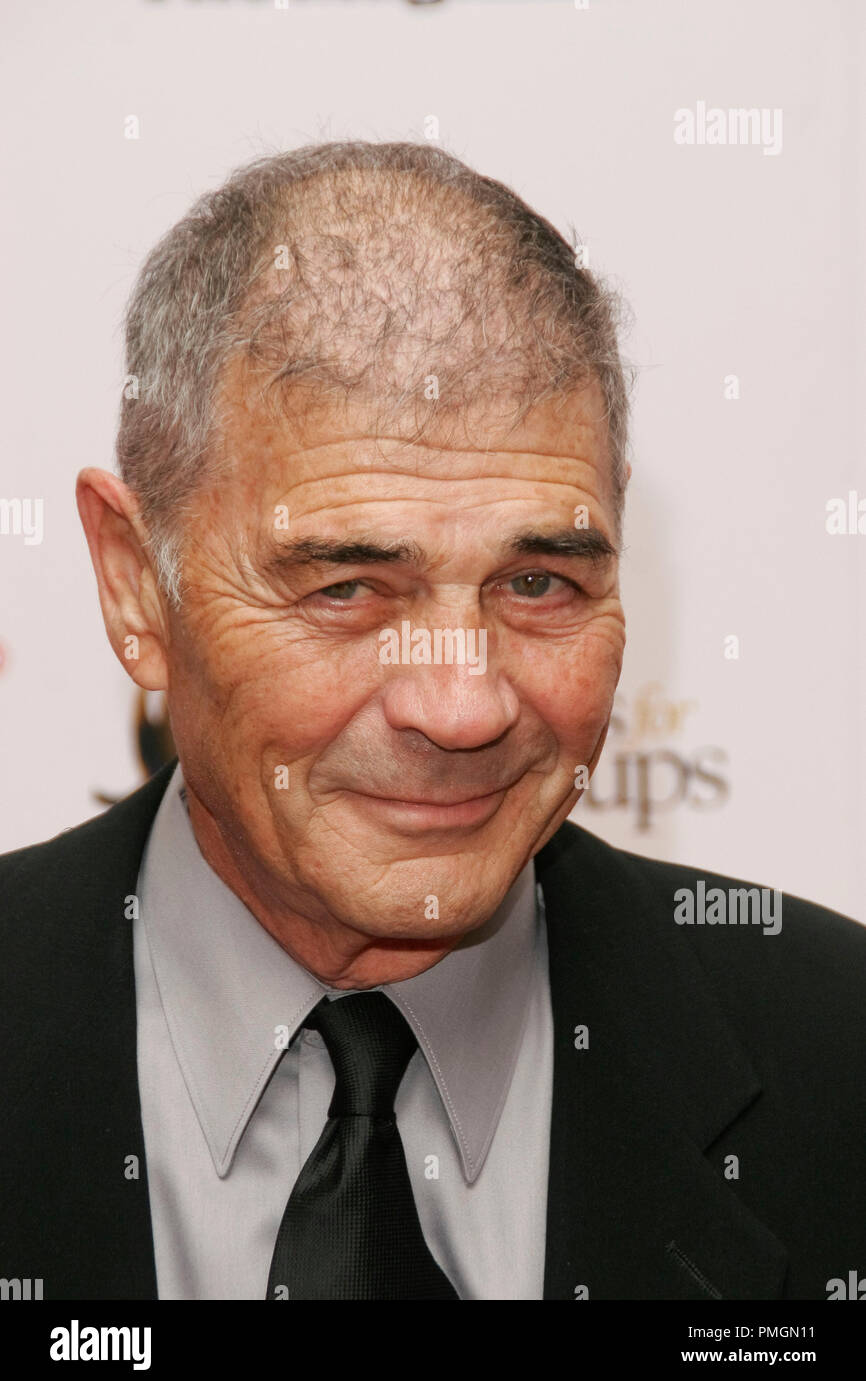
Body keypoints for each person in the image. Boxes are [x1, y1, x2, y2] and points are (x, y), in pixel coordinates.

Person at [2, 141, 865, 1302]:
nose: (461, 706)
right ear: (134, 585)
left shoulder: (836, 1059)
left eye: (536, 585)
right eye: (346, 589)